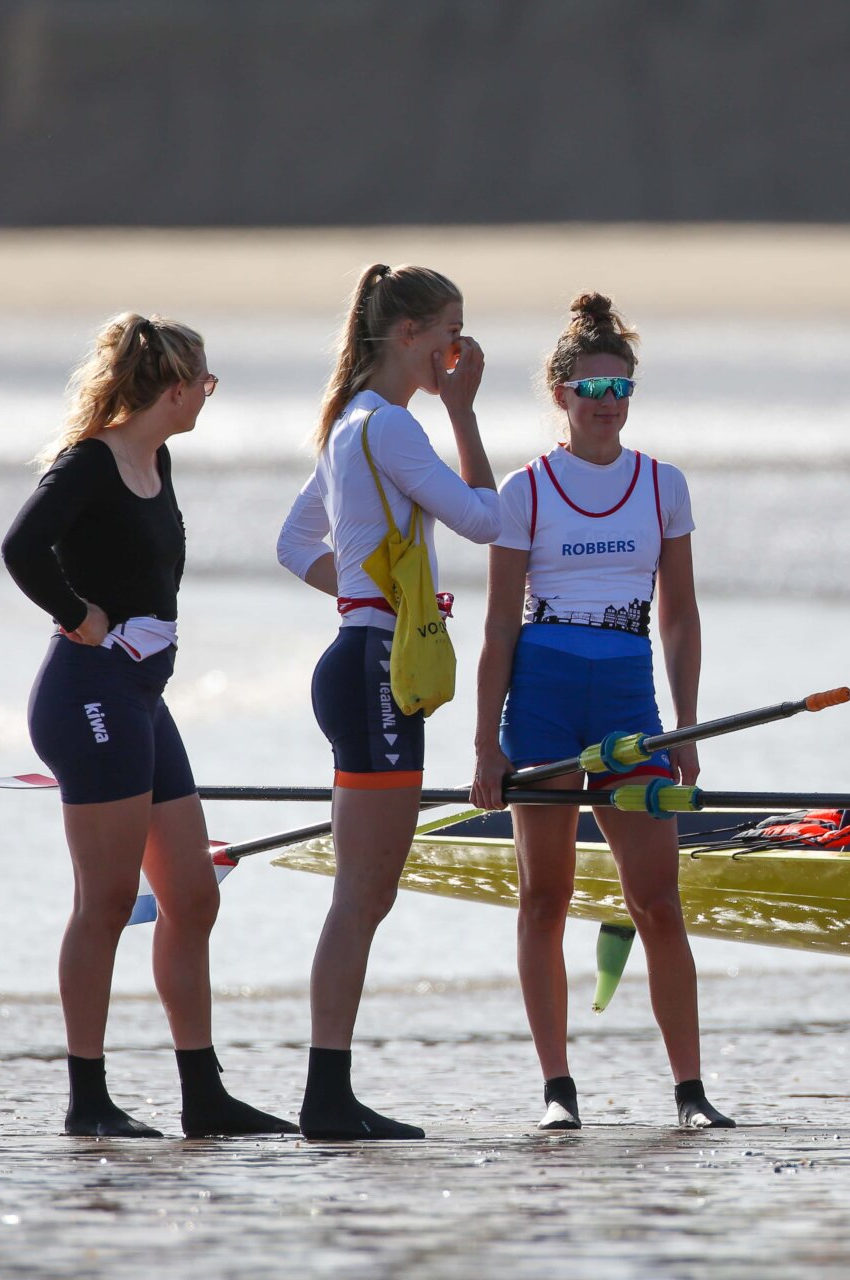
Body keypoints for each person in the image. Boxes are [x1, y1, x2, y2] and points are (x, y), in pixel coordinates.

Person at [1, 313, 295, 1139]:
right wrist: (77, 614)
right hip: (86, 696)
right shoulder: (90, 463)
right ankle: (87, 1100)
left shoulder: (155, 459)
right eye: (205, 382)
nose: (208, 395)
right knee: (104, 903)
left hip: (138, 700)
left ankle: (204, 1096)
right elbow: (22, 546)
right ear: (174, 389)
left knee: (193, 895)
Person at [469, 292, 732, 1131]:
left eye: (619, 392)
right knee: (543, 900)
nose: (605, 406)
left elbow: (680, 616)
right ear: (561, 396)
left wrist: (685, 728)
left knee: (657, 901)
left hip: (627, 697)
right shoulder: (525, 491)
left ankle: (690, 1093)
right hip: (542, 697)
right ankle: (558, 1091)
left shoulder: (664, 485)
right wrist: (485, 746)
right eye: (591, 391)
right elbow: (498, 626)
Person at [276, 264, 500, 1139]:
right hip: (372, 669)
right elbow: (485, 520)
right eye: (450, 330)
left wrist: (366, 593)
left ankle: (329, 1091)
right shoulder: (394, 428)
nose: (459, 347)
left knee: (363, 891)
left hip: (362, 655)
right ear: (408, 334)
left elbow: (294, 544)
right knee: (364, 892)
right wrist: (464, 411)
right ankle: (326, 1098)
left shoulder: (348, 425)